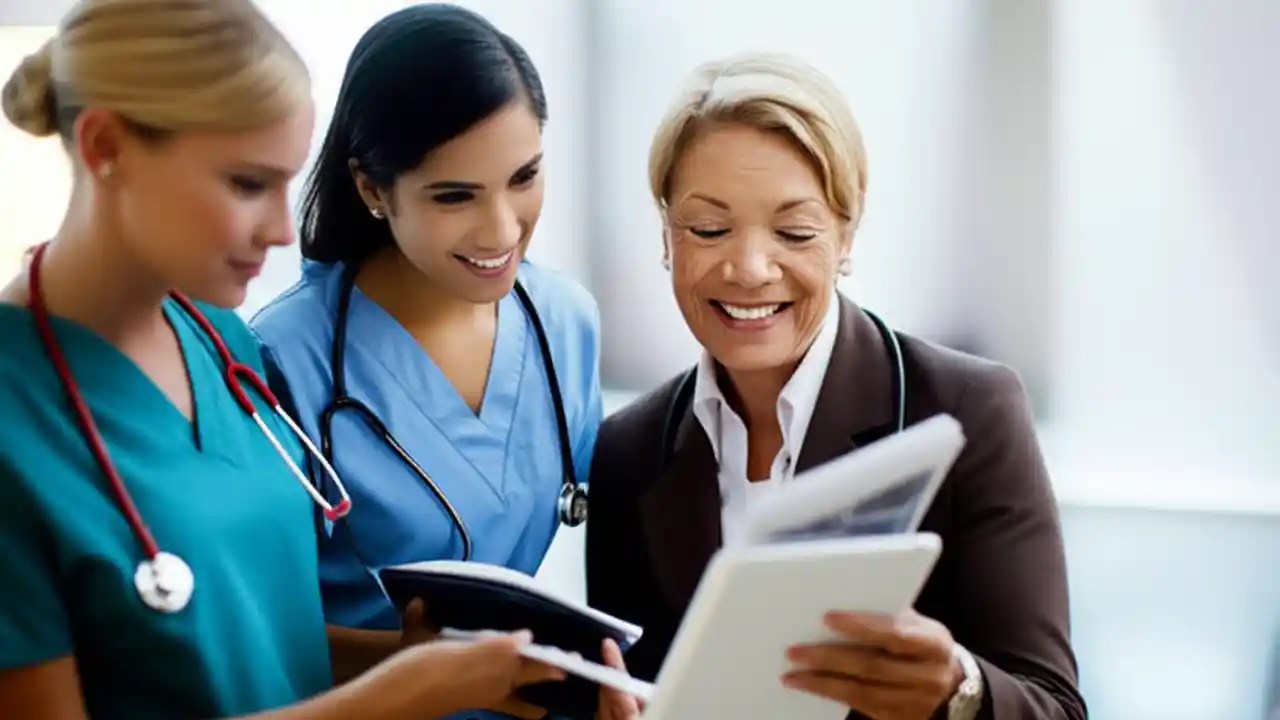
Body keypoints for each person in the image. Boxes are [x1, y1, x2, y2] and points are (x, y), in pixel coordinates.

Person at [0, 1, 564, 718]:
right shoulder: (14, 423)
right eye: (246, 184)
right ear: (106, 146)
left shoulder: (220, 341)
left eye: (286, 183)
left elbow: (256, 641)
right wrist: (390, 701)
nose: (278, 229)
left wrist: (404, 659)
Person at [589, 53, 1087, 720]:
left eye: (794, 232)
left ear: (846, 236)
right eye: (708, 229)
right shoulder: (630, 450)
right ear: (666, 236)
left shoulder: (970, 410)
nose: (749, 268)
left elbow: (1054, 708)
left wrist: (958, 689)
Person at [248, 4, 602, 714]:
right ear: (374, 190)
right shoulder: (281, 360)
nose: (503, 228)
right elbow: (250, 631)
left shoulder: (565, 321)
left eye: (524, 177)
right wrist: (411, 667)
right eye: (454, 196)